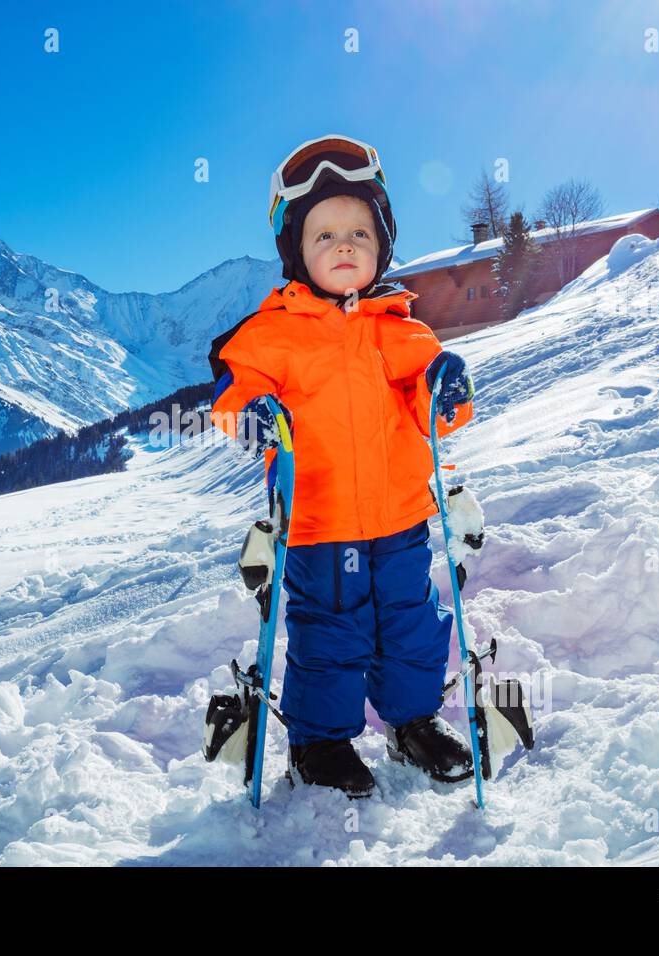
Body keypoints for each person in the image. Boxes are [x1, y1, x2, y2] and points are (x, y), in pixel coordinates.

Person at [208, 134, 477, 799]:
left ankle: (413, 722)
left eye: (360, 229)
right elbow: (233, 393)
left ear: (383, 241)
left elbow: (431, 416)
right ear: (296, 253)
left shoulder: (406, 333)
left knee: (411, 623)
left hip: (400, 518)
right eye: (325, 235)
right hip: (319, 522)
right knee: (331, 632)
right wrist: (249, 410)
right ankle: (321, 740)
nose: (345, 244)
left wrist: (446, 388)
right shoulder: (271, 333)